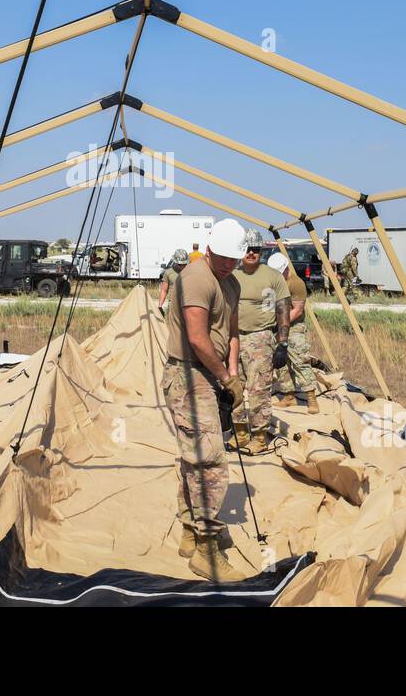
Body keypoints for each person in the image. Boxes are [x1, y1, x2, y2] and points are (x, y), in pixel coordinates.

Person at [162, 218, 247, 581]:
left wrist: (232, 374)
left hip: (209, 373)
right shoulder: (197, 278)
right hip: (188, 374)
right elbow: (197, 339)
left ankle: (190, 530)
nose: (229, 264)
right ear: (209, 248)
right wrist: (226, 377)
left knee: (195, 457)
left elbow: (230, 333)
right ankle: (207, 551)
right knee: (210, 460)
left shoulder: (231, 282)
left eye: (235, 259)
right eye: (224, 257)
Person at [229, 229, 291, 455]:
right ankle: (241, 432)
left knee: (258, 390)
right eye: (247, 249)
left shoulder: (272, 277)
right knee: (232, 385)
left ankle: (259, 436)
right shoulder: (231, 275)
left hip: (260, 338)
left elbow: (283, 308)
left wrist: (282, 344)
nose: (251, 254)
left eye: (256, 249)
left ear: (261, 252)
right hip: (233, 337)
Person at [268, 251, 320, 413]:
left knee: (299, 360)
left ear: (285, 269)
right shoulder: (275, 282)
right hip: (278, 326)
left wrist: (282, 323)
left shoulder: (296, 283)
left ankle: (311, 398)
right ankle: (289, 396)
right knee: (281, 363)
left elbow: (297, 310)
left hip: (294, 327)